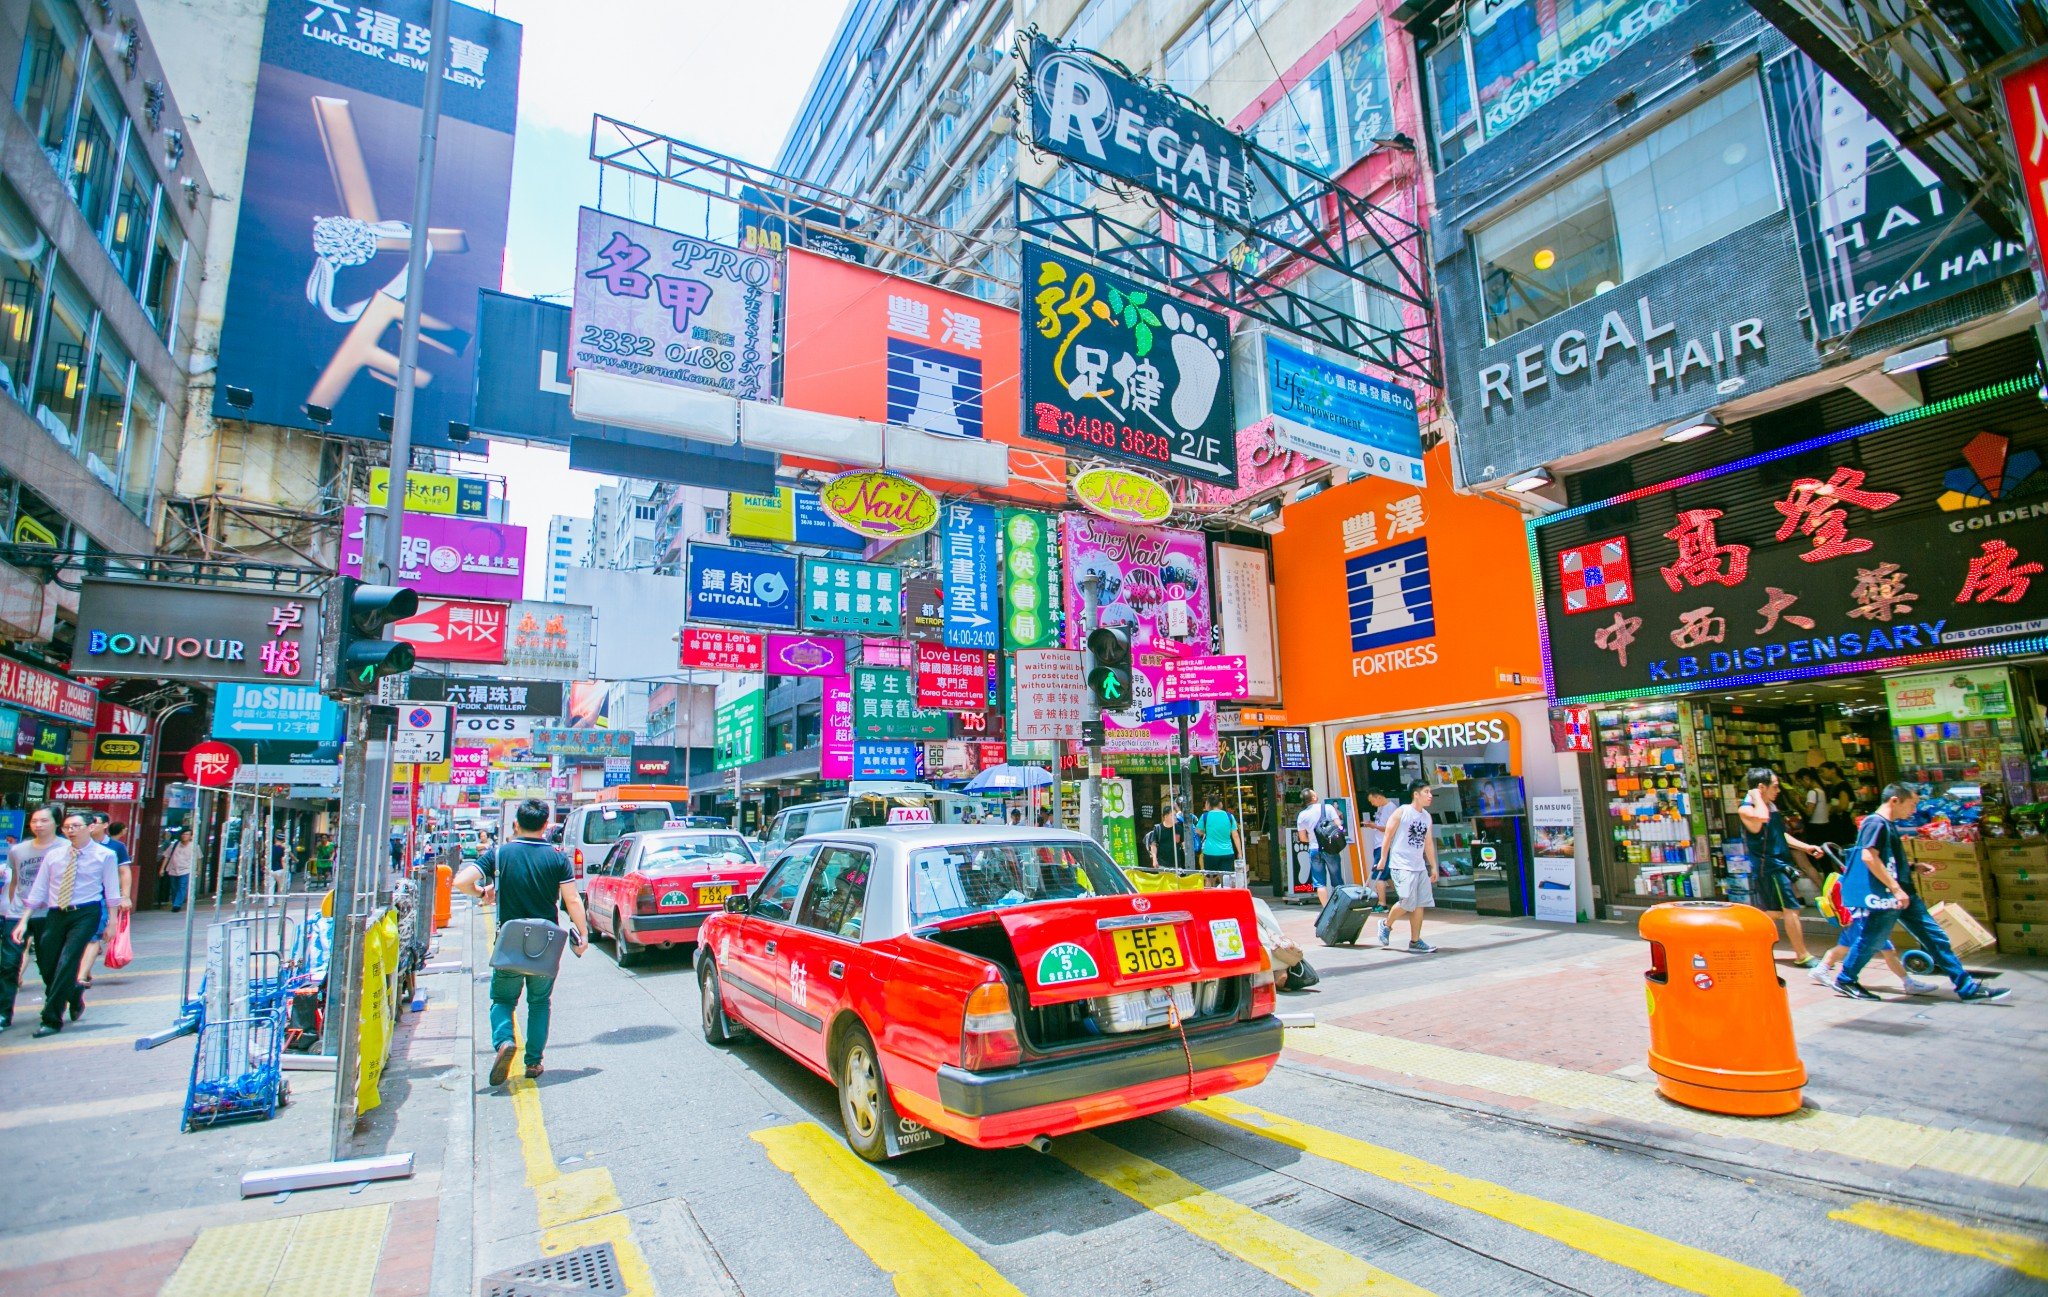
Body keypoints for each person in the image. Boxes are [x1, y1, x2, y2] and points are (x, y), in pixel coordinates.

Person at [1833, 784, 2009, 1003]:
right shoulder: (1876, 822)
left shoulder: (1885, 824)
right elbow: (1869, 857)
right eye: (1912, 803)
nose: (1914, 810)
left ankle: (1966, 987)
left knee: (1935, 937)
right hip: (1891, 896)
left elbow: (1887, 859)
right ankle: (1846, 979)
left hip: (1901, 894)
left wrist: (1913, 867)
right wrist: (1897, 889)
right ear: (1895, 800)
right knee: (1872, 940)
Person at [455, 798, 589, 1085]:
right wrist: (583, 932)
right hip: (547, 941)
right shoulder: (557, 857)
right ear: (545, 826)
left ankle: (504, 1041)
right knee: (539, 1002)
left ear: (516, 823)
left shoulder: (499, 854)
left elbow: (461, 882)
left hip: (510, 940)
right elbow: (572, 899)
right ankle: (534, 1062)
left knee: (503, 999)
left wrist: (482, 894)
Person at [12, 811, 124, 1036]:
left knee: (67, 961)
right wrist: (24, 920)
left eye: (75, 826)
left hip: (85, 913)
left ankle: (51, 1019)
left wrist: (113, 923)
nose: (70, 830)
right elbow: (39, 889)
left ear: (90, 827)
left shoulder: (105, 855)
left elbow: (112, 891)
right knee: (47, 964)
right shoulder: (54, 855)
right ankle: (73, 991)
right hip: (55, 913)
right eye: (66, 827)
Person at [1736, 768, 1825, 966]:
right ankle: (1802, 955)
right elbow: (1761, 819)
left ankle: (1741, 942)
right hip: (1768, 866)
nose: (1778, 790)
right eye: (1774, 786)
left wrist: (1806, 848)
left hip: (1779, 863)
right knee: (1791, 909)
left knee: (1774, 913)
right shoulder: (1747, 809)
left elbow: (1780, 834)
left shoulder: (1771, 807)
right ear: (1761, 788)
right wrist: (1756, 797)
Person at [1, 807, 63, 1031]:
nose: (38, 825)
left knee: (48, 966)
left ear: (56, 823)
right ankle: (3, 1014)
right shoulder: (18, 850)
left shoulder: (66, 848)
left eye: (44, 820)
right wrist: (13, 908)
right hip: (18, 914)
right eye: (34, 821)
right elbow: (16, 881)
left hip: (50, 914)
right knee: (7, 965)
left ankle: (54, 1007)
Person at [1375, 782, 1441, 952]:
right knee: (1407, 902)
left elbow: (1427, 843)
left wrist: (1433, 867)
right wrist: (1382, 859)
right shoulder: (1402, 812)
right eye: (1426, 792)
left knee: (1420, 903)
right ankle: (1386, 924)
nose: (1430, 795)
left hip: (1418, 866)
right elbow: (1387, 836)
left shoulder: (1427, 817)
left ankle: (1415, 941)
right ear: (1416, 794)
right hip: (1401, 864)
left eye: (1430, 792)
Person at [1294, 789, 1346, 906]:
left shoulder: (1302, 815)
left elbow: (1302, 838)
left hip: (1314, 849)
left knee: (1319, 883)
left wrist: (1313, 839)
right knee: (1337, 880)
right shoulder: (1327, 808)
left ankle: (1325, 909)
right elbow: (1339, 826)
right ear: (1313, 798)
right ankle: (1340, 906)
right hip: (1330, 848)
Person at [1358, 790, 1398, 911]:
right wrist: (1373, 824)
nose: (1372, 804)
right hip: (1380, 844)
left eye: (1372, 801)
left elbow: (1388, 828)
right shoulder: (1382, 808)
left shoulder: (1390, 808)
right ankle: (1404, 898)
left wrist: (1373, 826)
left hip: (1384, 845)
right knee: (1388, 874)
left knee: (1378, 874)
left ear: (1378, 797)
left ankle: (1382, 904)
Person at [1194, 793, 1241, 879]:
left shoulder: (1205, 816)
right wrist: (1240, 853)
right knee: (1226, 880)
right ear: (1220, 804)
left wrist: (1207, 829)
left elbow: (1198, 831)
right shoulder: (1229, 816)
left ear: (1208, 804)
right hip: (1227, 852)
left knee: (1209, 880)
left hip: (1210, 852)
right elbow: (1235, 835)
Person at [163, 827, 196, 912]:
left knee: (182, 886)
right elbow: (167, 856)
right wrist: (162, 868)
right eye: (183, 834)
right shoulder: (174, 844)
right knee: (174, 888)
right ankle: (175, 903)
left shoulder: (194, 846)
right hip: (173, 869)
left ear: (191, 836)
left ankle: (177, 905)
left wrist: (198, 869)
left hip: (186, 870)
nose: (185, 836)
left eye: (187, 834)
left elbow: (198, 858)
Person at [1147, 803, 1186, 872]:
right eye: (1172, 815)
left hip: (1177, 865)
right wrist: (1154, 859)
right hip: (1162, 865)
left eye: (1175, 815)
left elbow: (1183, 844)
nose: (1175, 817)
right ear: (1165, 816)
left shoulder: (1179, 829)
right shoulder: (1158, 828)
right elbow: (1153, 845)